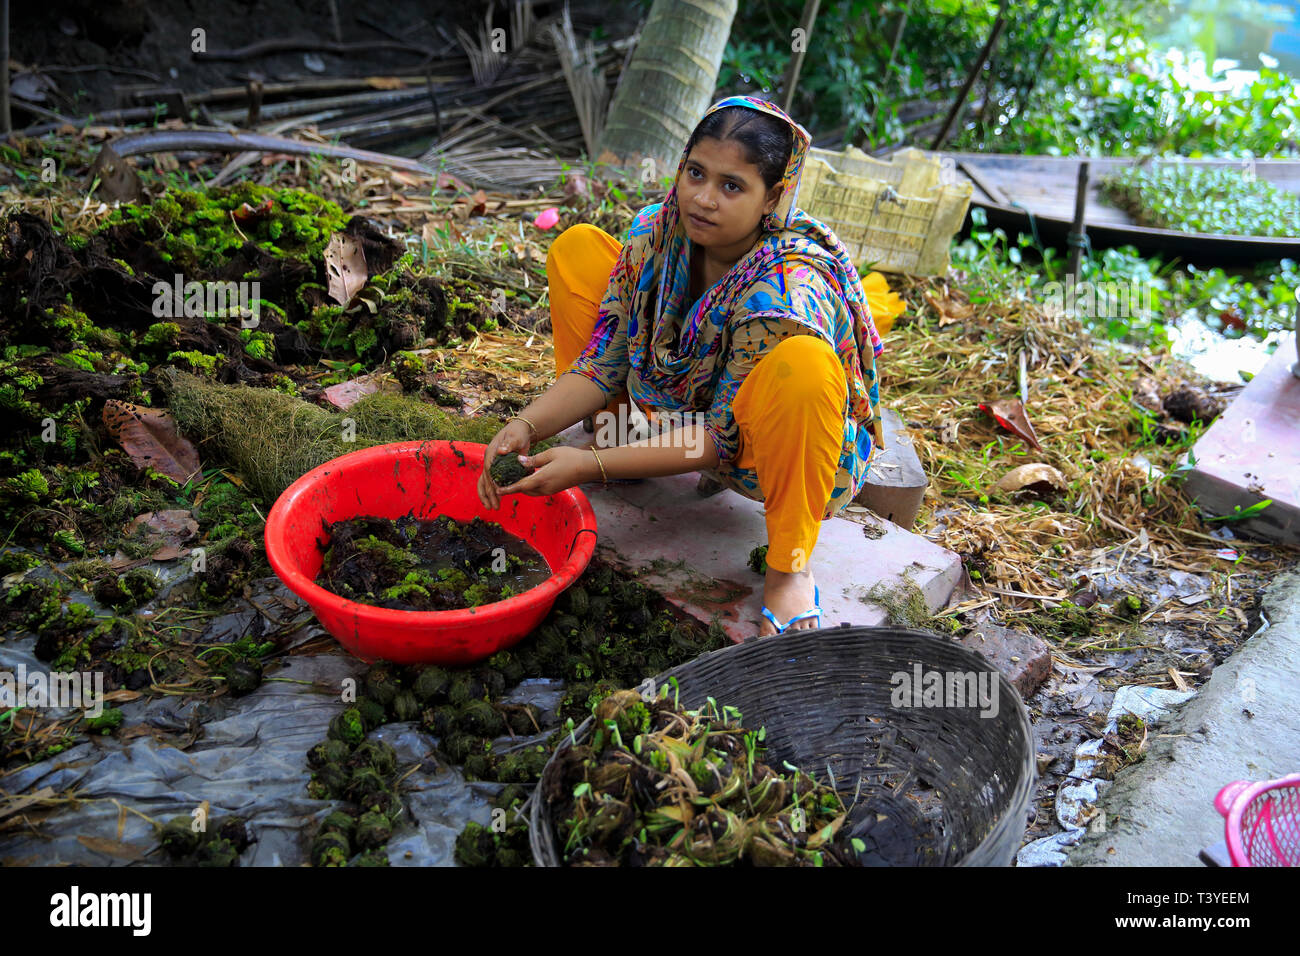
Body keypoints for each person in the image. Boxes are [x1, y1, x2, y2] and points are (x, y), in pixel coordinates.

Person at [476, 95, 894, 639]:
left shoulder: (786, 286)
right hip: (667, 412)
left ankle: (790, 569)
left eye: (732, 186)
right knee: (579, 249)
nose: (703, 198)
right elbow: (605, 357)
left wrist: (587, 469)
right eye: (695, 173)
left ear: (774, 196)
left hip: (760, 446)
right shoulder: (655, 234)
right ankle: (618, 439)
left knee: (806, 366)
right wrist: (526, 424)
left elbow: (722, 439)